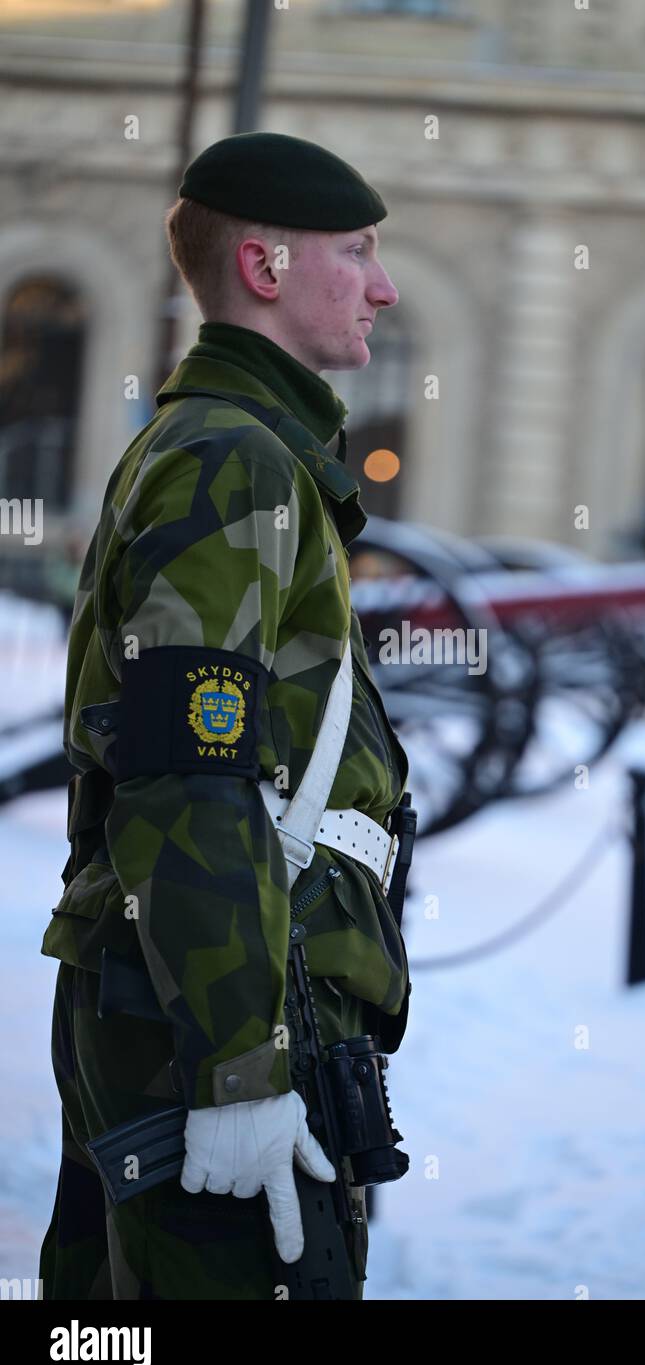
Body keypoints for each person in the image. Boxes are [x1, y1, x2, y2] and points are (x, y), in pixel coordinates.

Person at [38, 131, 411, 1301]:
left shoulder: (250, 452)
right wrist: (240, 1072)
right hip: (212, 1020)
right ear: (263, 265)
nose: (382, 286)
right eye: (354, 252)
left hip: (208, 1003)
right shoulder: (232, 459)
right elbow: (185, 777)